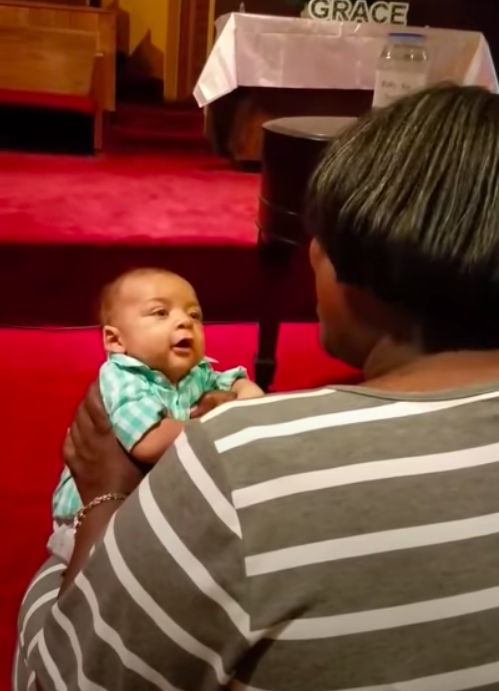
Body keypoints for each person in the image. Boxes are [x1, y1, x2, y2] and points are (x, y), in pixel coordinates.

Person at [15, 84, 499, 691]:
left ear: (348, 264)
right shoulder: (160, 392)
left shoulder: (239, 463)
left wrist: (102, 504)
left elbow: (58, 681)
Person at [49, 267, 263, 561]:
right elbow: (148, 442)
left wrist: (246, 392)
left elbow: (234, 383)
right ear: (115, 340)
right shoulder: (122, 377)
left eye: (194, 315)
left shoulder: (194, 371)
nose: (184, 322)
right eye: (161, 313)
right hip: (93, 512)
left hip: (152, 498)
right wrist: (220, 418)